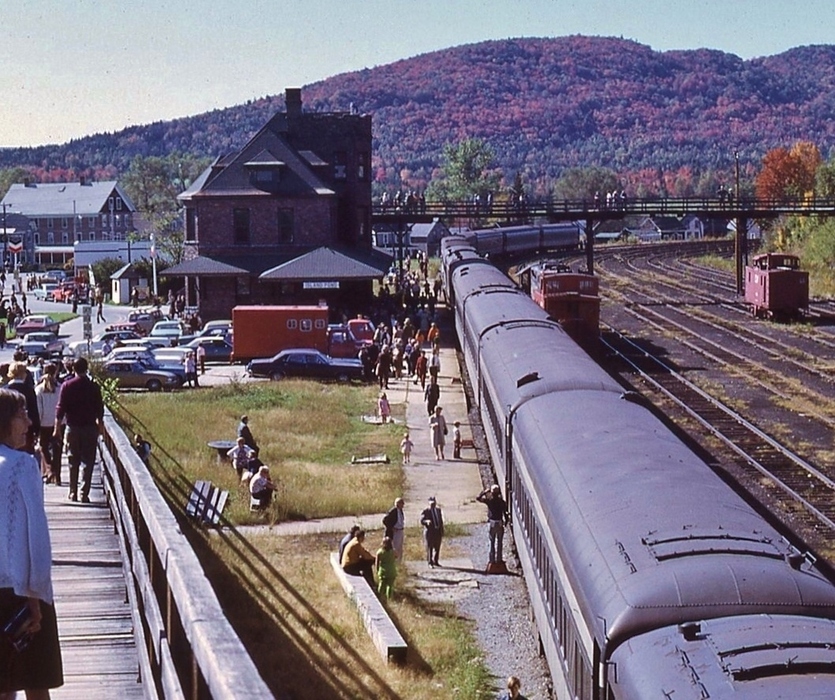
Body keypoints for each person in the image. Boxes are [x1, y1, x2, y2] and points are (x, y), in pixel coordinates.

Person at [0, 388, 64, 697]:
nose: (28, 422)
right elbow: (36, 535)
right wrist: (36, 596)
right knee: (36, 684)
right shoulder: (22, 465)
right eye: (21, 415)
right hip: (22, 593)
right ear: (5, 421)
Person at [55, 356, 104, 504]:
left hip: (73, 428)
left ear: (73, 369)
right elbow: (99, 409)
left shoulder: (67, 385)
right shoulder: (94, 387)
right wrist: (100, 426)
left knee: (72, 460)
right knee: (88, 461)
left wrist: (57, 428)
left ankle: (73, 492)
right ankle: (84, 493)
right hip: (90, 428)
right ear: (86, 368)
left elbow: (60, 409)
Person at [35, 363, 62, 484]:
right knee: (57, 449)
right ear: (56, 372)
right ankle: (58, 476)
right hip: (57, 422)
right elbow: (62, 407)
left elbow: (39, 409)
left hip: (44, 423)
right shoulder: (60, 388)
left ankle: (49, 469)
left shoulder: (39, 389)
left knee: (43, 447)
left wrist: (38, 424)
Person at [7, 361, 40, 454]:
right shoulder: (29, 390)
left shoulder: (5, 390)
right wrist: (36, 430)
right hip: (26, 429)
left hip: (7, 429)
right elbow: (34, 410)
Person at [477, 484, 509, 564]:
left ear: (491, 492)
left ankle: (492, 560)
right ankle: (499, 559)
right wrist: (506, 522)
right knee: (500, 542)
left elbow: (478, 498)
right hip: (500, 522)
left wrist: (484, 492)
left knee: (492, 542)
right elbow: (505, 513)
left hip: (492, 523)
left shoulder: (489, 500)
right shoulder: (502, 502)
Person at [420, 496, 444, 567]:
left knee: (437, 547)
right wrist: (426, 521)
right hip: (430, 532)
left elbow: (441, 521)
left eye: (434, 503)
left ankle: (436, 561)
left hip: (437, 531)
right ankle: (430, 562)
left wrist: (442, 530)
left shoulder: (438, 510)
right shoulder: (426, 511)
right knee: (430, 547)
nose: (432, 505)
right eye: (431, 504)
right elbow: (421, 520)